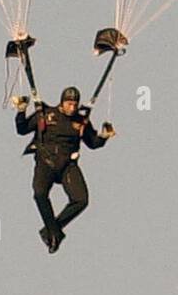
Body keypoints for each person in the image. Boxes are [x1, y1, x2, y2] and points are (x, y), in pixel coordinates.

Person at [12, 86, 115, 252]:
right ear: (62, 102)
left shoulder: (81, 121)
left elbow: (92, 143)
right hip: (46, 162)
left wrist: (103, 136)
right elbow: (22, 129)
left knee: (81, 200)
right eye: (69, 104)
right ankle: (54, 234)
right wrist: (21, 111)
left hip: (68, 165)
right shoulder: (45, 114)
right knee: (39, 194)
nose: (72, 108)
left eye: (75, 104)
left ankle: (51, 230)